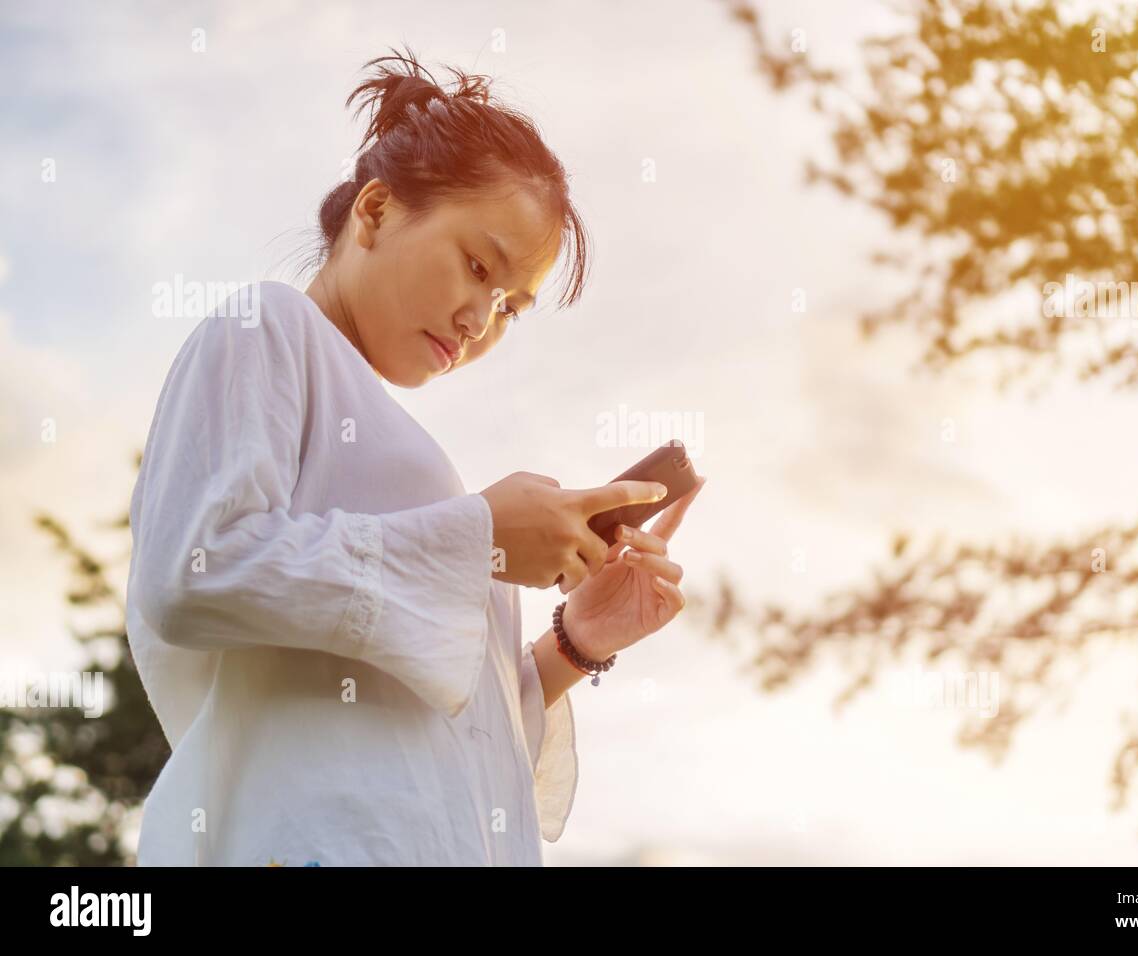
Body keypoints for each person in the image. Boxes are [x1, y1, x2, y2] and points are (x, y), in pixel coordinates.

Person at [125, 47, 706, 866]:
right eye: (477, 266)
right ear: (376, 208)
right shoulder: (266, 329)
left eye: (511, 306)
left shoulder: (407, 455)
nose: (480, 320)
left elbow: (440, 741)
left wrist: (573, 645)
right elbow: (192, 568)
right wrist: (481, 540)